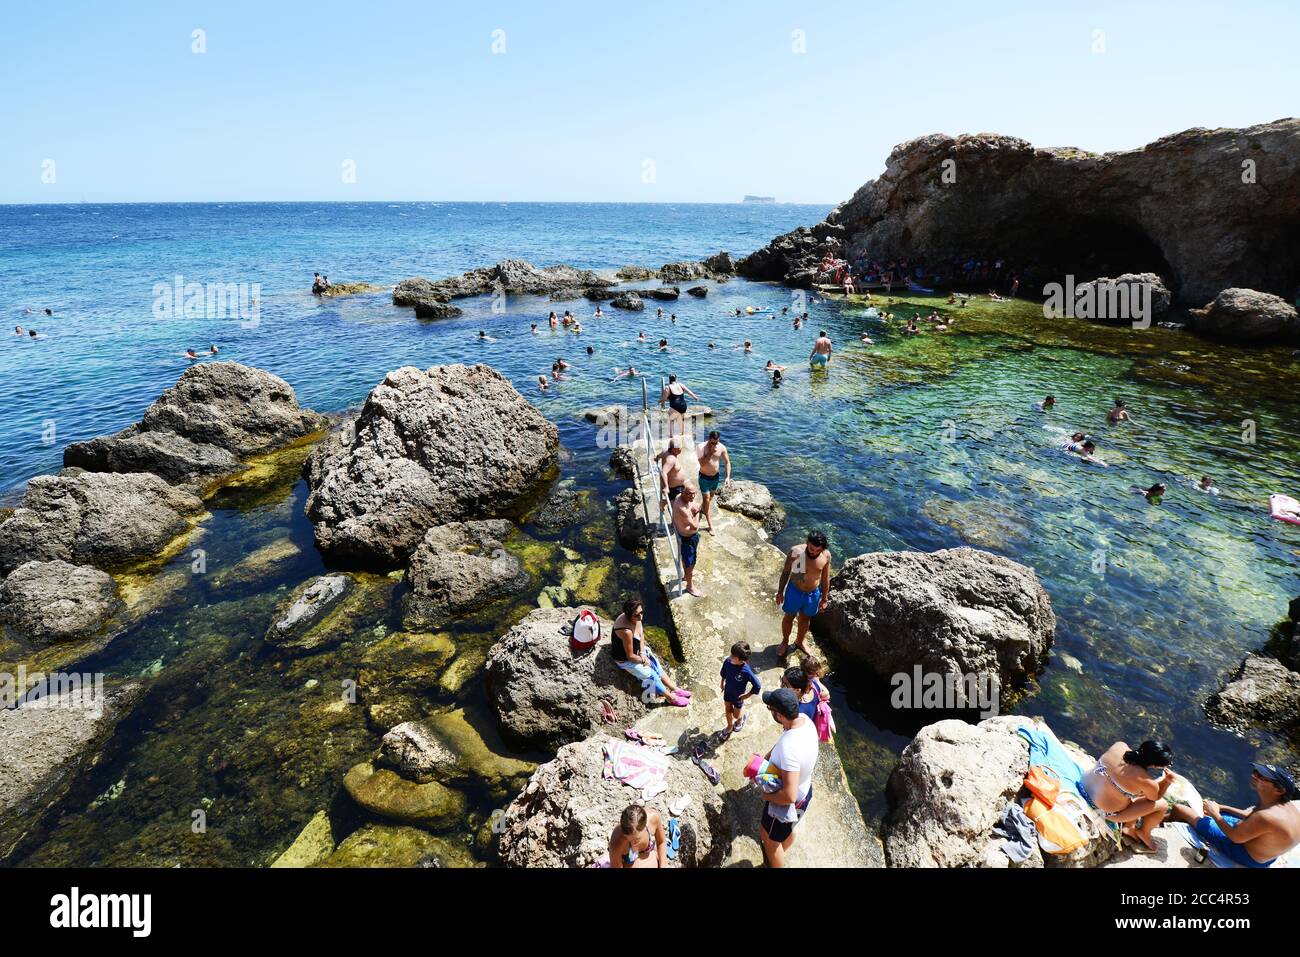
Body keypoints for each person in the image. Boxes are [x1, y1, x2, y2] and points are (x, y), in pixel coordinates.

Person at [1167, 762, 1300, 868]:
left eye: (1261, 777)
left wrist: (1215, 814)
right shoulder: (1284, 806)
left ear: (1279, 790)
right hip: (1265, 853)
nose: (1254, 776)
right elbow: (1249, 815)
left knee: (1179, 809)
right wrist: (1221, 807)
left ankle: (1161, 825)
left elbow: (1236, 837)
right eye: (1256, 772)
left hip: (1245, 854)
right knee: (1216, 812)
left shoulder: (1268, 815)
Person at [757, 687, 819, 868]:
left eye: (771, 709)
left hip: (789, 802)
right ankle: (781, 848)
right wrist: (764, 759)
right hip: (805, 791)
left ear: (780, 715)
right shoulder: (805, 721)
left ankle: (776, 855)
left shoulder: (789, 748)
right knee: (772, 831)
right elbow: (782, 742)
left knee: (771, 842)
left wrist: (766, 796)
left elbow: (789, 795)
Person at [1082, 740, 1175, 850]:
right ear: (1156, 765)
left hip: (1084, 786)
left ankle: (1130, 827)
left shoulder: (1119, 745)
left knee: (1132, 792)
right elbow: (1155, 798)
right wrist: (1167, 781)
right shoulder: (1148, 782)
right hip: (1102, 810)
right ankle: (1144, 833)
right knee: (1162, 804)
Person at [610, 597, 689, 706]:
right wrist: (643, 661)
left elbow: (641, 634)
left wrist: (642, 653)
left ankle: (674, 689)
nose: (640, 616)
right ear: (628, 615)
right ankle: (671, 698)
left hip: (638, 652)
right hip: (626, 660)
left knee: (656, 666)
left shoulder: (636, 618)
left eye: (641, 612)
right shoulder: (626, 631)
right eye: (637, 615)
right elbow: (630, 656)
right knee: (651, 675)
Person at [775, 530, 831, 657]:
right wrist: (780, 592)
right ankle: (785, 641)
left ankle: (800, 641)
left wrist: (824, 598)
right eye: (811, 549)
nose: (814, 553)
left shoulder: (826, 555)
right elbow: (786, 572)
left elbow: (825, 578)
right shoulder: (796, 552)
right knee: (789, 616)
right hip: (794, 590)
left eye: (818, 551)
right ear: (807, 543)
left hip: (813, 594)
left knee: (806, 618)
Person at [719, 640, 761, 739]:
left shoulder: (746, 671)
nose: (730, 657)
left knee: (736, 715)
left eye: (733, 656)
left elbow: (757, 685)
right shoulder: (728, 661)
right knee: (728, 709)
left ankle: (741, 719)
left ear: (741, 660)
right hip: (728, 692)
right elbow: (723, 673)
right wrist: (722, 684)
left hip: (738, 697)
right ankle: (729, 726)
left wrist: (746, 696)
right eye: (731, 654)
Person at [671, 482, 705, 597]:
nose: (692, 497)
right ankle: (690, 586)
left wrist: (693, 505)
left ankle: (686, 576)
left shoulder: (677, 497)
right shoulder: (683, 509)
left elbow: (690, 503)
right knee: (690, 562)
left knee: (686, 558)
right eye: (689, 494)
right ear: (683, 492)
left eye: (694, 494)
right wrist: (697, 512)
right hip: (688, 538)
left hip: (684, 536)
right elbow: (695, 526)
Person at [608, 804, 669, 868]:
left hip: (651, 855)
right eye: (628, 839)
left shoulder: (654, 818)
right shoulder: (617, 841)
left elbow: (661, 842)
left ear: (645, 827)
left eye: (636, 839)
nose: (633, 843)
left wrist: (663, 865)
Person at [696, 430, 731, 534]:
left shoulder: (721, 447)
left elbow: (727, 462)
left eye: (716, 443)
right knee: (706, 499)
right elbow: (701, 464)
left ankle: (702, 508)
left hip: (715, 478)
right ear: (709, 439)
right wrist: (710, 453)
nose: (715, 445)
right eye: (712, 443)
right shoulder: (700, 447)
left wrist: (727, 477)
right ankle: (710, 525)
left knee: (710, 498)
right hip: (704, 478)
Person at [659, 374, 699, 441]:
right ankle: (682, 434)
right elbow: (688, 391)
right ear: (676, 379)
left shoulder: (667, 387)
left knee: (670, 419)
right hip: (683, 406)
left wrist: (659, 401)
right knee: (681, 420)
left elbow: (664, 399)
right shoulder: (681, 385)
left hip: (675, 406)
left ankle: (671, 436)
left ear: (669, 380)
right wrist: (695, 397)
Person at [657, 439, 687, 505]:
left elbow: (659, 456)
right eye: (679, 448)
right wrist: (666, 487)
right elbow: (663, 472)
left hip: (677, 486)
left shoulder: (666, 451)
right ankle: (664, 502)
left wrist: (656, 458)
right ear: (673, 449)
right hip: (674, 488)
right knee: (680, 503)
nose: (681, 449)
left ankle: (666, 502)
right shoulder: (671, 459)